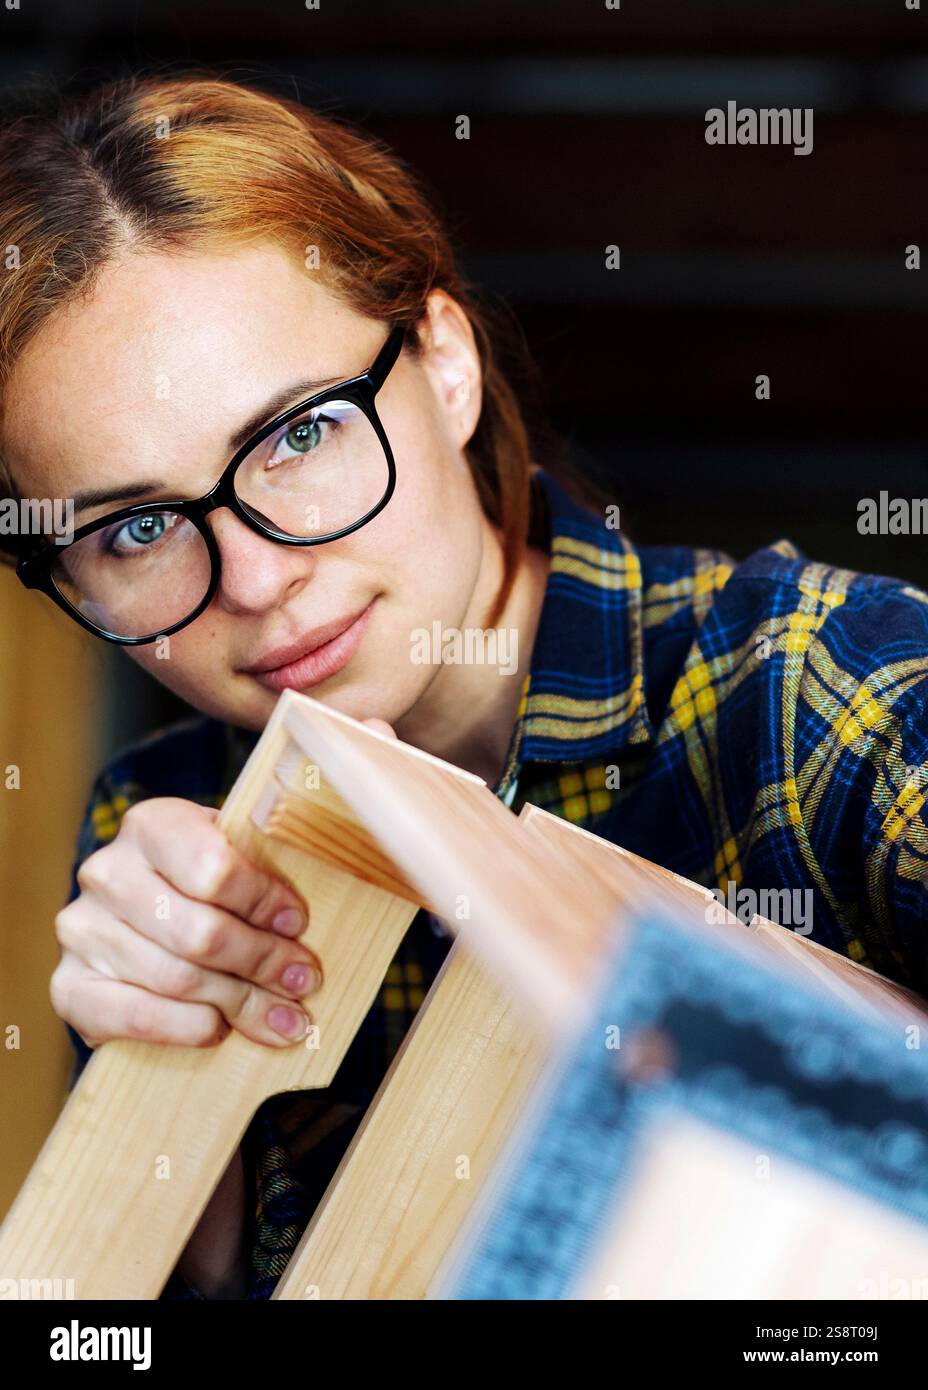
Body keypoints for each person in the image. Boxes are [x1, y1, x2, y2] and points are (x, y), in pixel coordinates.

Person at [1, 70, 927, 1299]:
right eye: (133, 531)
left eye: (300, 434)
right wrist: (171, 1125)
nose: (260, 576)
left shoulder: (818, 681)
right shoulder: (163, 831)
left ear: (443, 362)